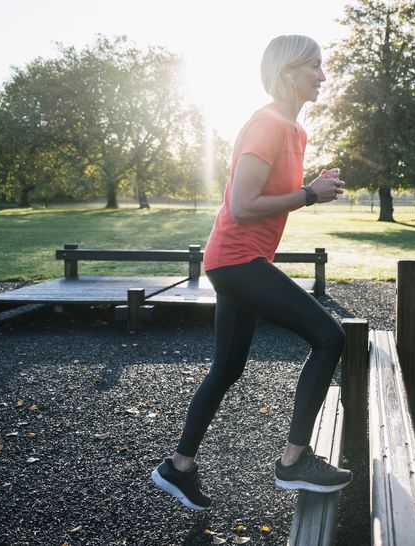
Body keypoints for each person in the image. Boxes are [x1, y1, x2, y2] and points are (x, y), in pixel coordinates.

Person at [150, 35, 351, 511]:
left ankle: (178, 466)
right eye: (314, 66)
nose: (323, 76)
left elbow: (268, 197)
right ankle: (294, 462)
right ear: (288, 73)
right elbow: (242, 206)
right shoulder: (267, 123)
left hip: (238, 261)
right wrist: (309, 195)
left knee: (227, 367)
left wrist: (310, 188)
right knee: (330, 337)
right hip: (237, 259)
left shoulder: (295, 131)